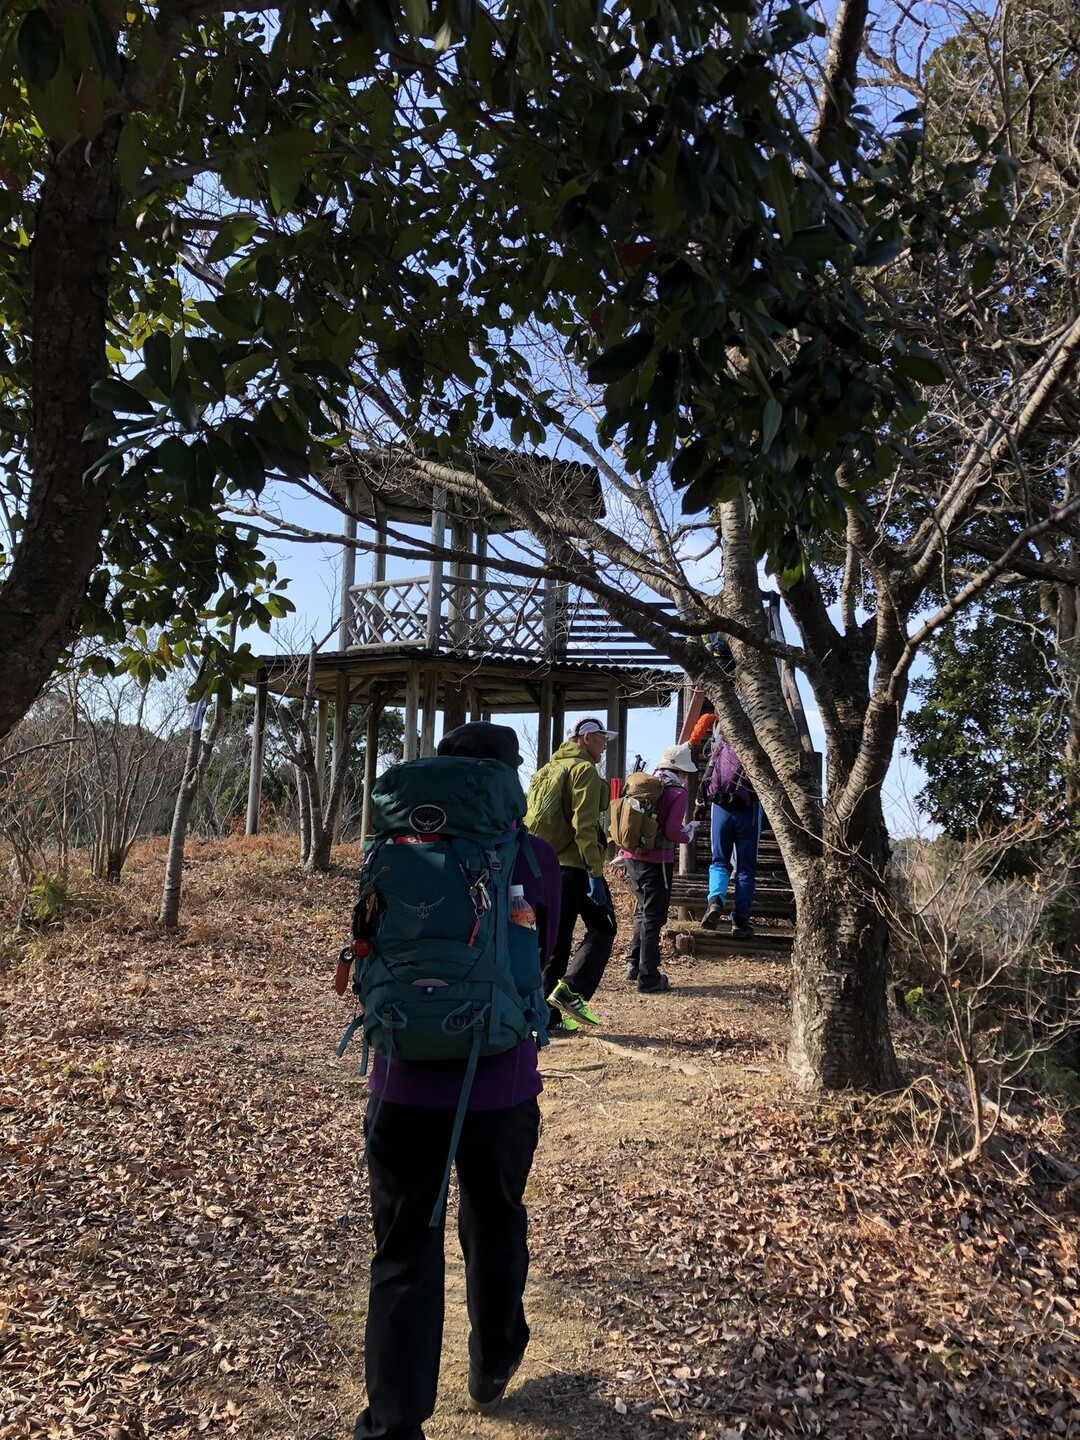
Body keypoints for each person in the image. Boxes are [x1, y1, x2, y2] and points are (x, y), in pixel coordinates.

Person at [353, 722, 562, 1440]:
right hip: (499, 1082)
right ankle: (494, 1357)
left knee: (404, 1248)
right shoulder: (534, 856)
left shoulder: (390, 848)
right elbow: (546, 960)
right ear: (506, 781)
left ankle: (392, 1423)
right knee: (494, 1218)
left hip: (401, 1082)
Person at [524, 716, 617, 1032]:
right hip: (578, 867)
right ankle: (572, 990)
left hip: (547, 867)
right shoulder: (584, 770)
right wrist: (595, 870)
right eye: (603, 739)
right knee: (604, 927)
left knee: (554, 941)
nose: (605, 746)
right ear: (587, 738)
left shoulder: (548, 769)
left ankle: (543, 1017)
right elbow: (585, 826)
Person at [620, 743, 699, 994]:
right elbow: (672, 832)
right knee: (654, 918)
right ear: (681, 771)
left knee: (643, 912)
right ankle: (649, 978)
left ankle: (634, 965)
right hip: (658, 863)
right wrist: (689, 834)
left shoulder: (645, 784)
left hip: (634, 858)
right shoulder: (677, 792)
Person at [700, 727, 761, 940]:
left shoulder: (720, 747)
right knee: (745, 868)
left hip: (721, 808)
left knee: (719, 861)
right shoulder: (755, 748)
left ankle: (715, 901)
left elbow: (707, 779)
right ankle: (741, 921)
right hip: (748, 810)